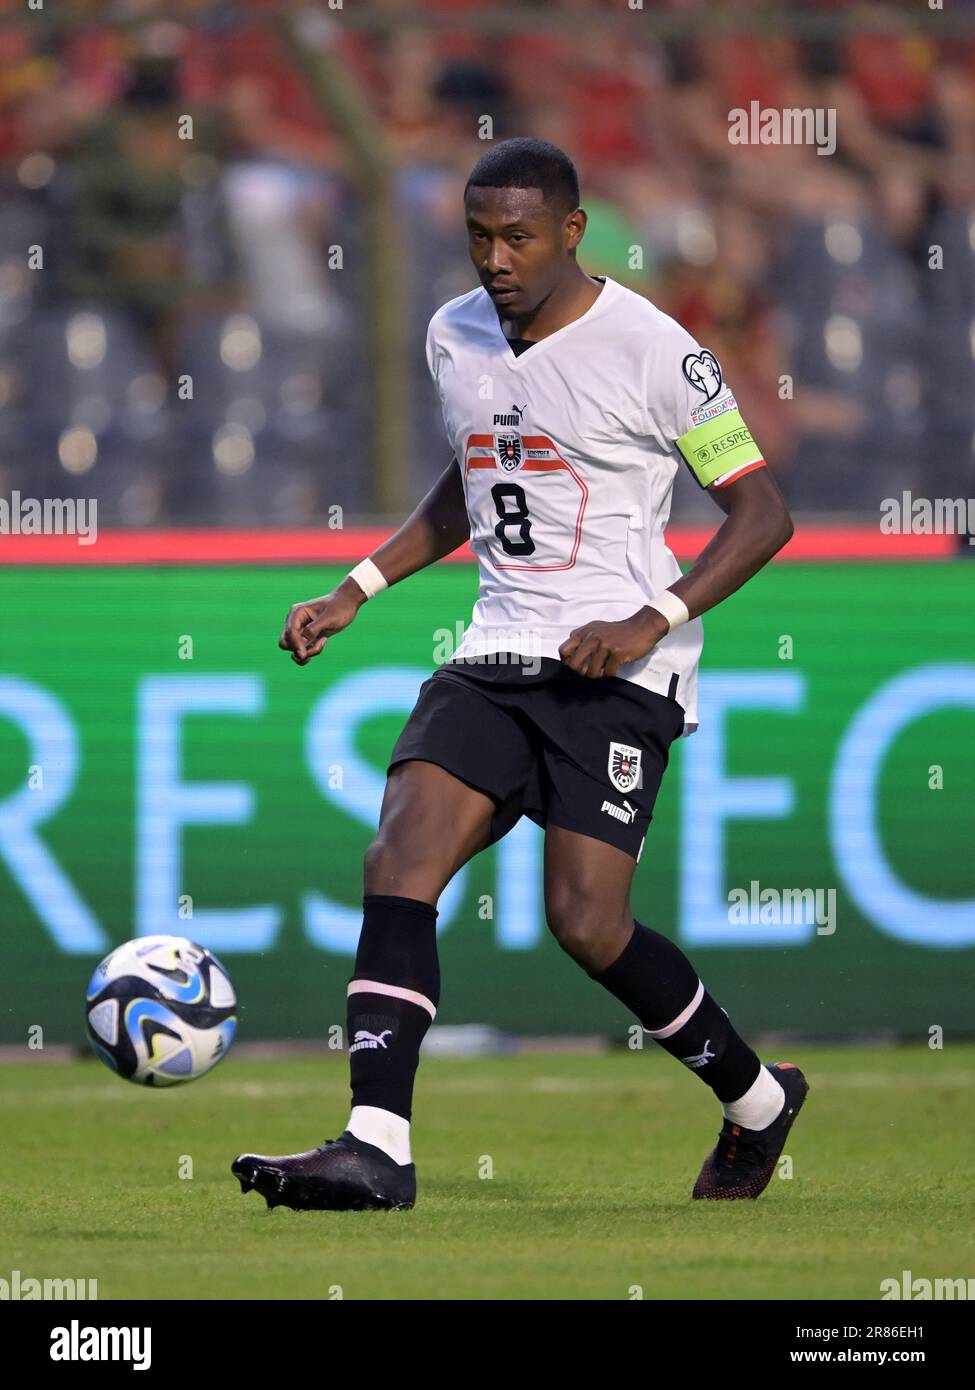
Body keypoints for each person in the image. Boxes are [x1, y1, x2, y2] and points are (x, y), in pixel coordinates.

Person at [233, 138, 807, 1212]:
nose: (495, 258)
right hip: (494, 655)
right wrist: (359, 584)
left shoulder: (656, 348)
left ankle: (760, 1102)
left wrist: (652, 617)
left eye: (519, 236)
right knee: (399, 853)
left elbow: (764, 513)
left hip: (617, 671)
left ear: (573, 231)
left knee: (587, 924)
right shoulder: (452, 334)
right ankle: (376, 1145)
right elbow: (473, 479)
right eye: (479, 236)